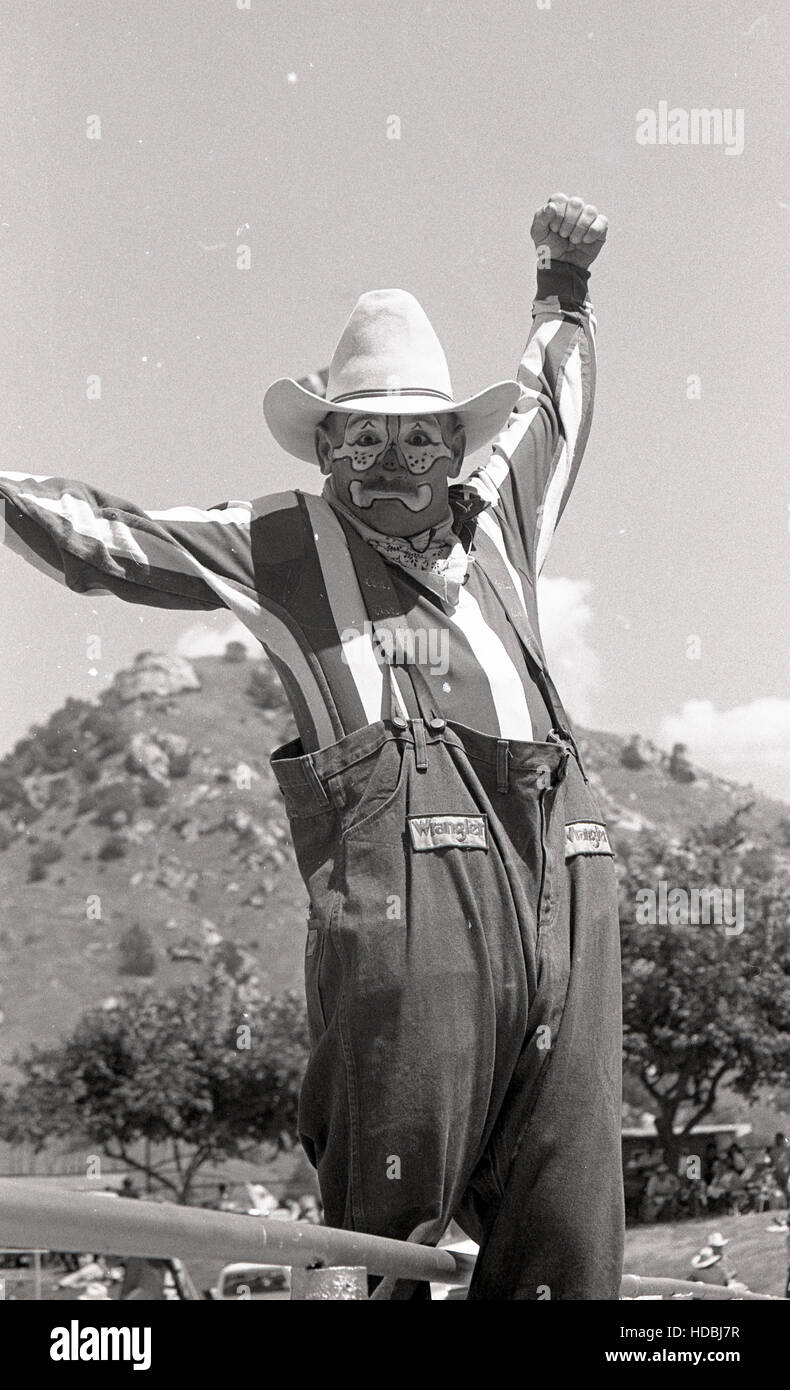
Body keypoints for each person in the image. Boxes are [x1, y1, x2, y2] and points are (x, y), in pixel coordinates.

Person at [0, 194, 619, 1299]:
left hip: (569, 879)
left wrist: (562, 282)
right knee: (385, 1221)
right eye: (361, 436)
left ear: (451, 444)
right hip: (412, 901)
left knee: (569, 1232)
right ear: (327, 446)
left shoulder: (503, 516)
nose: (390, 459)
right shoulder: (283, 541)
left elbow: (551, 405)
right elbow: (111, 538)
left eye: (415, 434)